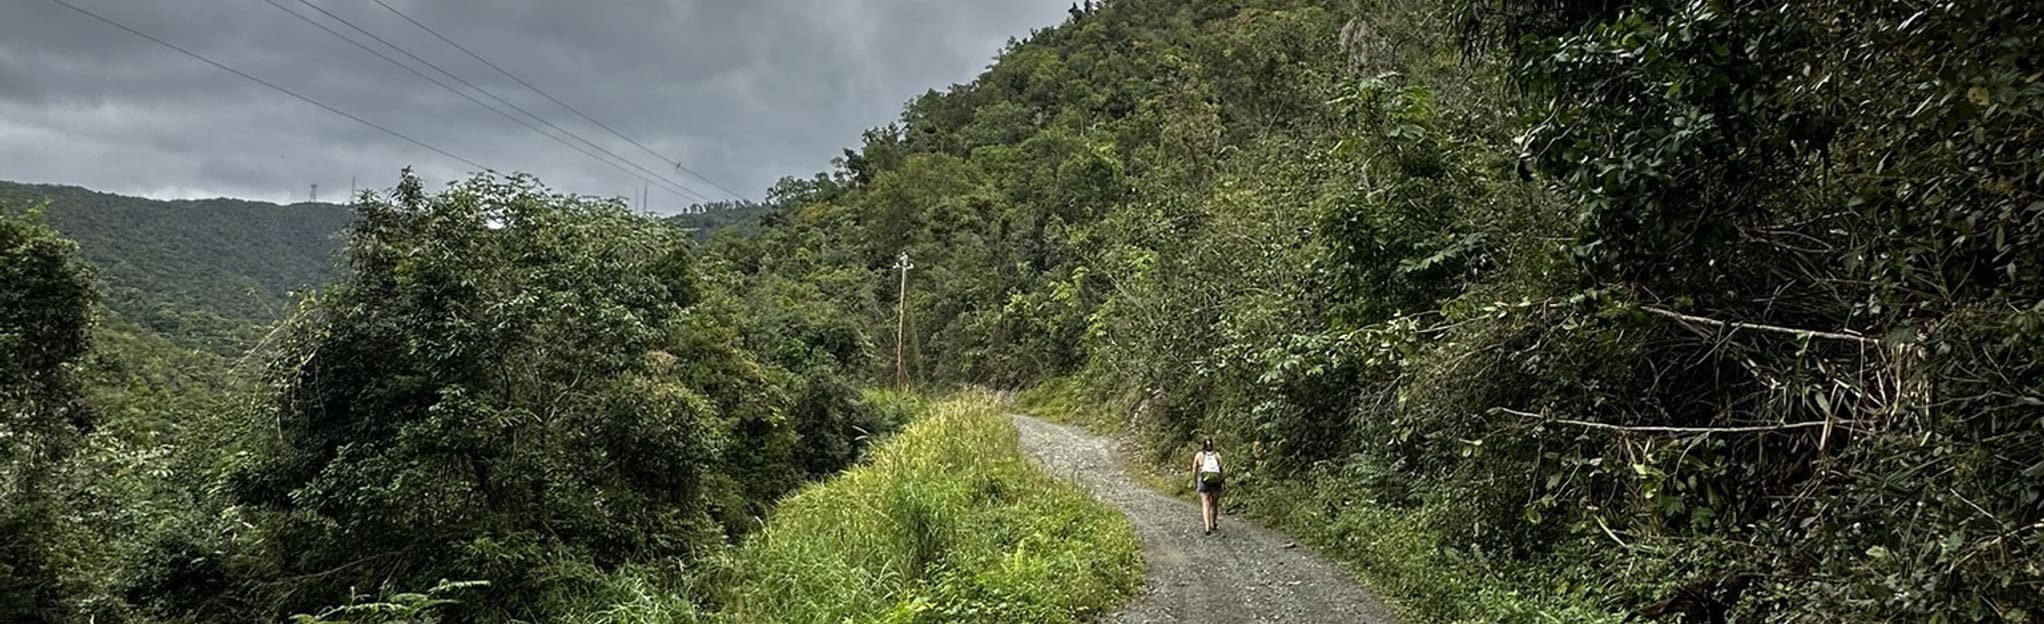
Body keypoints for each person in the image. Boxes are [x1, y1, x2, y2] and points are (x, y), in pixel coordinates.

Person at [1191, 437, 1224, 535]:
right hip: (1216, 482)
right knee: (1214, 504)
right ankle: (1213, 523)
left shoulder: (1199, 455)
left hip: (1203, 481)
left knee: (1205, 503)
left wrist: (1195, 482)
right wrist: (1223, 482)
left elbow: (1194, 470)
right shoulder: (1217, 455)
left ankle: (1207, 527)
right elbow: (1221, 470)